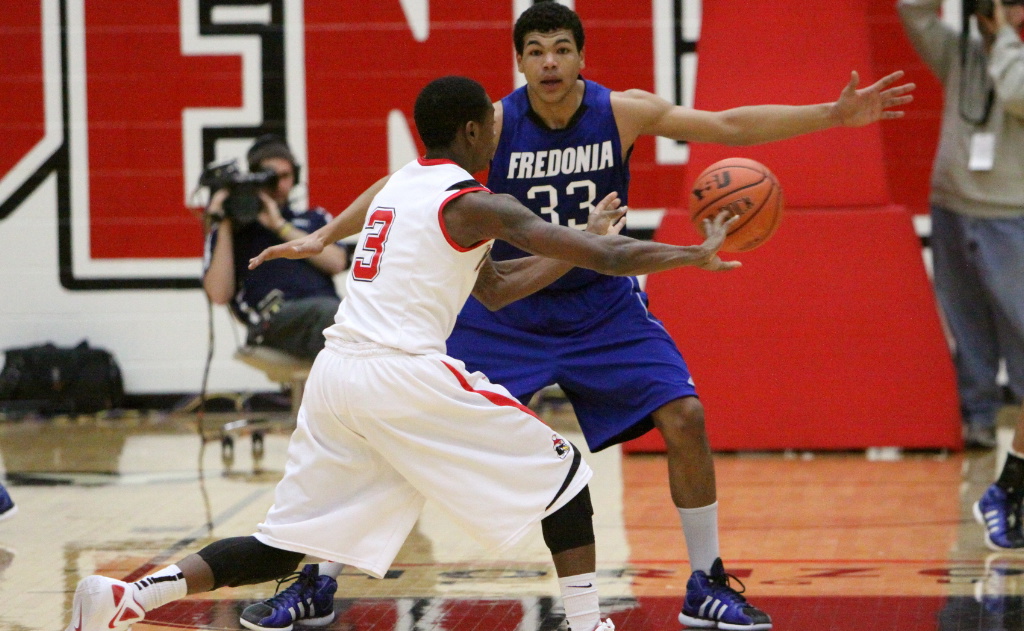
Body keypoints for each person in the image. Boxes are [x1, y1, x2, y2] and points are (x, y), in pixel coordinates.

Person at [247, 4, 916, 629]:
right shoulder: (496, 124)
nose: (548, 62)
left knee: (685, 415)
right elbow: (403, 181)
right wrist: (322, 235)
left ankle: (706, 580)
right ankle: (317, 576)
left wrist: (834, 114)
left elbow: (729, 126)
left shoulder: (623, 113)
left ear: (581, 57)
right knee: (402, 430)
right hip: (506, 309)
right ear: (519, 63)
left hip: (602, 306)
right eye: (535, 50)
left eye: (561, 49)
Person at [65, 75, 745, 631]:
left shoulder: (401, 187)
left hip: (336, 377)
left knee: (285, 540)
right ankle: (589, 623)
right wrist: (691, 252)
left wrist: (582, 233)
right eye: (492, 125)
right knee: (565, 474)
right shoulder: (478, 203)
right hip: (400, 371)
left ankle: (128, 595)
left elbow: (501, 288)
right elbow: (603, 254)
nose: (499, 132)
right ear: (475, 131)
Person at [898, 0, 1024, 451]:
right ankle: (979, 417)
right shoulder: (962, 53)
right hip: (952, 204)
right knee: (965, 320)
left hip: (1011, 212)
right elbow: (913, 12)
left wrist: (1004, 34)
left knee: (1020, 324)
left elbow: (1015, 92)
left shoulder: (1010, 56)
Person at [203, 135, 348, 361]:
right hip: (272, 321)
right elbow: (219, 295)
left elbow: (337, 262)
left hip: (327, 316)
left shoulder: (313, 219)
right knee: (334, 319)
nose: (279, 186)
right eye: (271, 178)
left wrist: (279, 226)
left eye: (285, 176)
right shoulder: (233, 233)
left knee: (356, 321)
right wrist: (224, 221)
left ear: (295, 176)